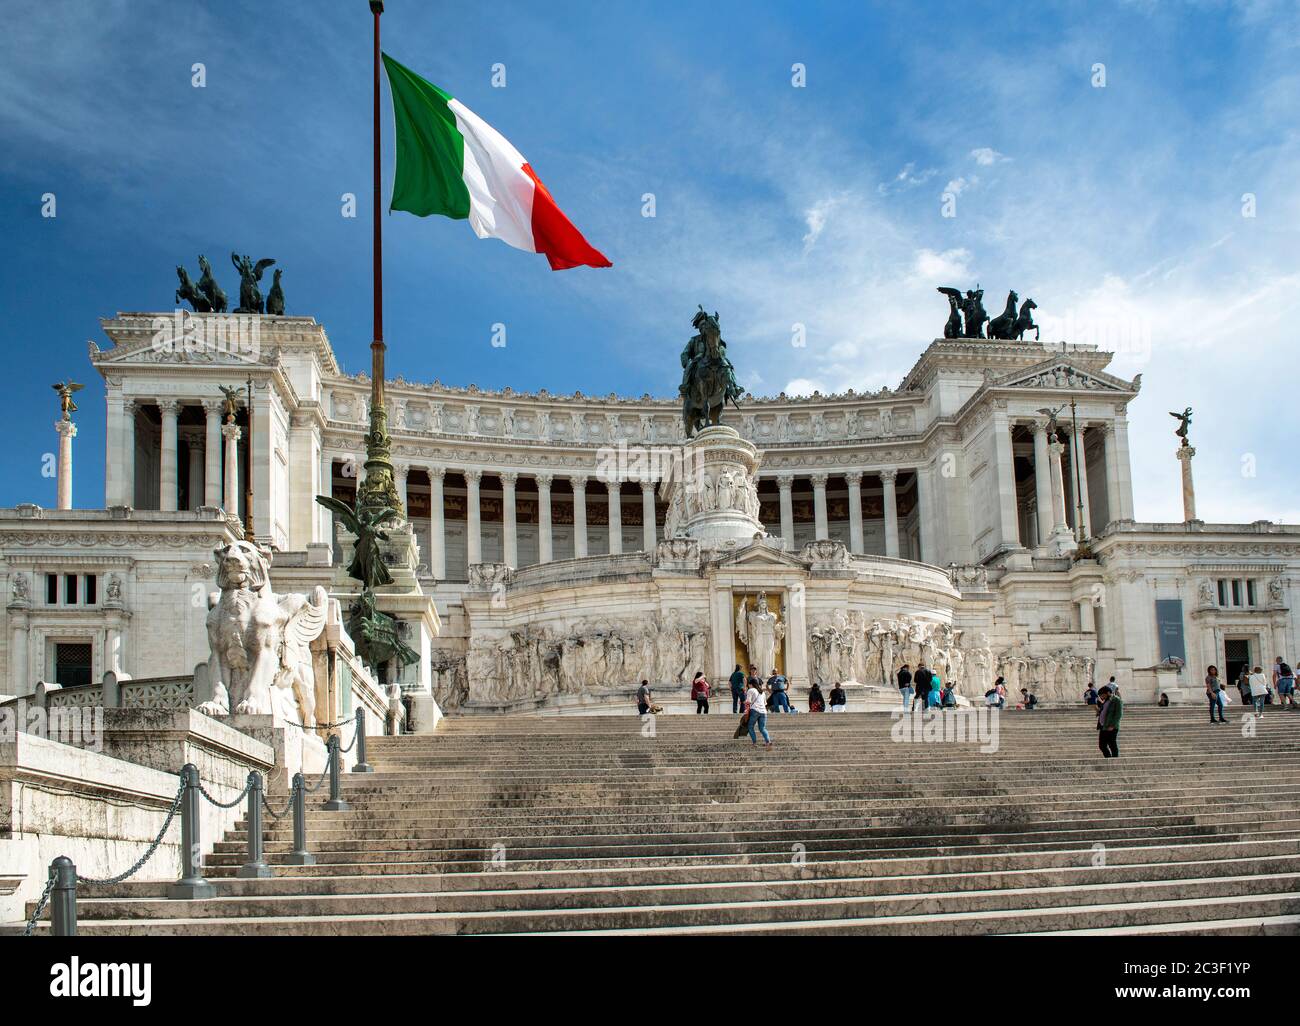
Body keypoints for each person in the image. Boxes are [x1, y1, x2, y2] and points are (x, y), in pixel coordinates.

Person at [1096, 684, 1122, 758]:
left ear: (1108, 693)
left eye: (1102, 695)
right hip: (1103, 726)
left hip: (1111, 726)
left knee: (1112, 744)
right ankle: (1109, 758)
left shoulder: (1116, 700)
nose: (1101, 697)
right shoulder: (1105, 701)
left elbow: (1118, 714)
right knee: (1102, 745)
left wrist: (1112, 725)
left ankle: (1115, 760)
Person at [745, 676, 772, 747]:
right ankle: (768, 741)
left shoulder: (750, 690)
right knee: (762, 728)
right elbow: (765, 703)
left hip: (755, 710)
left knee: (750, 726)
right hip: (763, 712)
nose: (748, 686)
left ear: (751, 684)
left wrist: (746, 710)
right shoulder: (762, 692)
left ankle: (754, 743)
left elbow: (748, 702)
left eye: (748, 684)